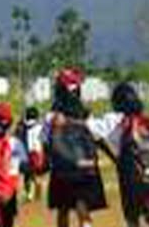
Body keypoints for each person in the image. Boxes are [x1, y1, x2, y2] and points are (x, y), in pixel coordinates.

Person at [91, 83, 149, 227]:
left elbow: (91, 130)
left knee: (132, 219)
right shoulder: (146, 120)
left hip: (131, 175)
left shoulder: (115, 121)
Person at [43, 69, 107, 227]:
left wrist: (46, 161)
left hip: (62, 168)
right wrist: (113, 157)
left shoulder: (52, 116)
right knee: (82, 205)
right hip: (86, 167)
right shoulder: (85, 114)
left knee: (63, 209)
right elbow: (98, 137)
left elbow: (45, 141)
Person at [18, 107, 46, 202]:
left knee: (27, 175)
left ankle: (29, 194)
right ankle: (37, 196)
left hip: (26, 152)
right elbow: (44, 140)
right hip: (37, 153)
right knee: (37, 175)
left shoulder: (23, 126)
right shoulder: (40, 127)